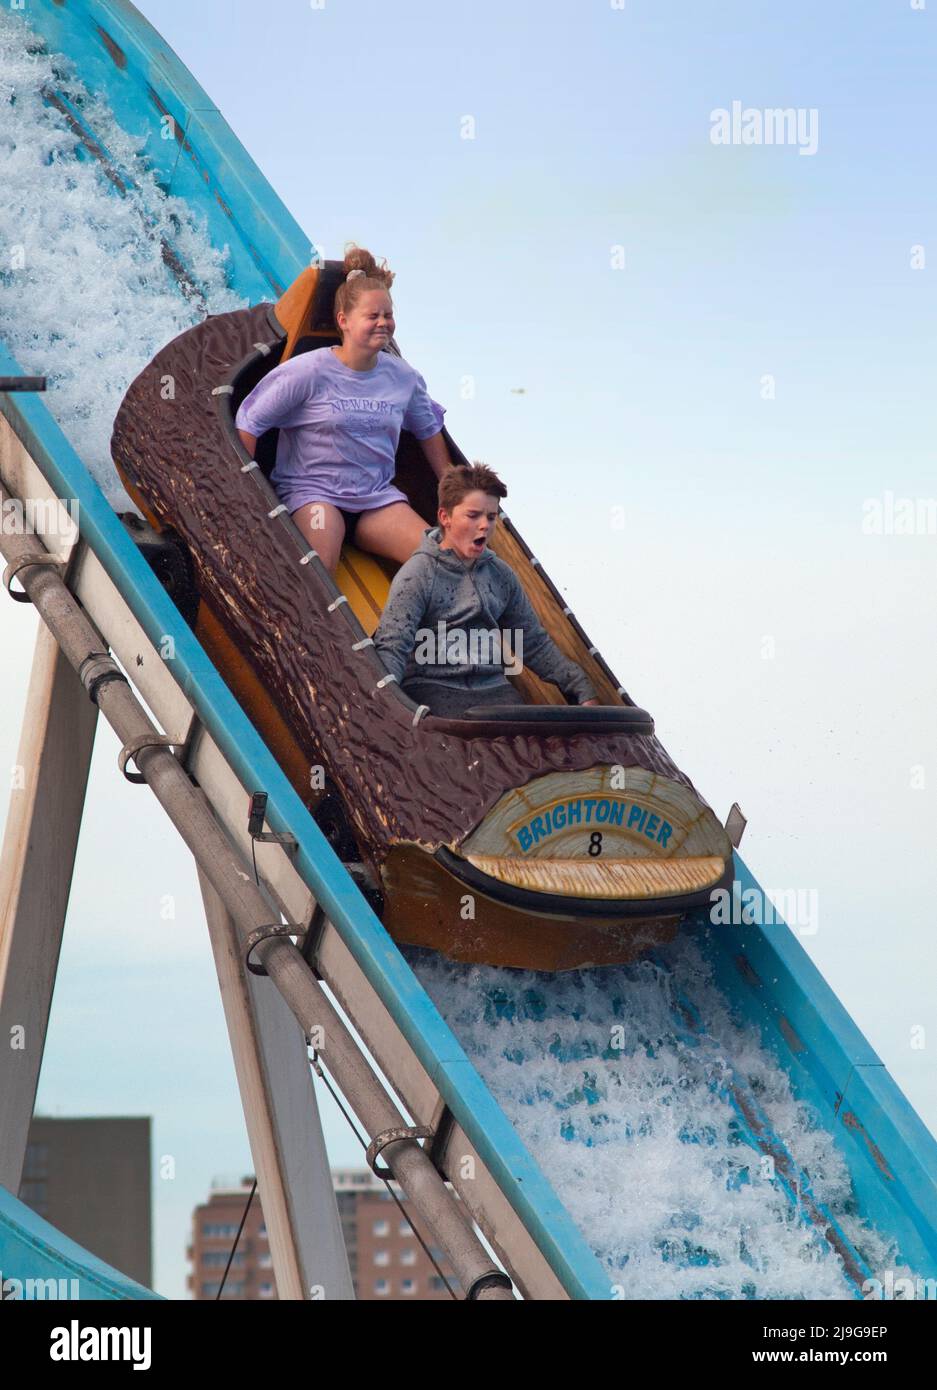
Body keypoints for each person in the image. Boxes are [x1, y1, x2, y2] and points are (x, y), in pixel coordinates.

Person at [235, 245, 451, 575]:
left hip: (375, 501)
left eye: (388, 315)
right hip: (314, 496)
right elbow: (249, 421)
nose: (383, 323)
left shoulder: (404, 379)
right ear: (344, 321)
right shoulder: (308, 372)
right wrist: (248, 494)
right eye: (373, 316)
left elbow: (428, 429)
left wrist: (450, 485)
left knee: (440, 561)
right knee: (318, 571)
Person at [373, 463, 600, 718]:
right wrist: (387, 706)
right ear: (445, 517)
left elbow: (532, 642)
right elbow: (393, 645)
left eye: (491, 517)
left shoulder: (500, 575)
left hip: (493, 688)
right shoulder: (419, 573)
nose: (484, 525)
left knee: (533, 744)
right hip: (432, 686)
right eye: (473, 516)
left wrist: (581, 688)